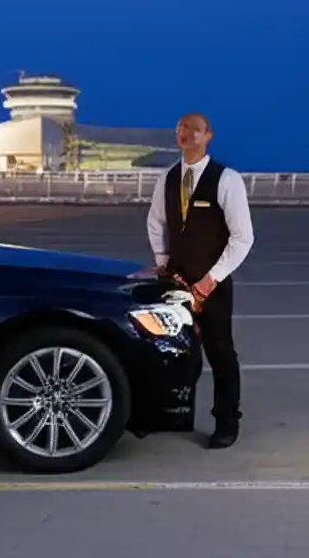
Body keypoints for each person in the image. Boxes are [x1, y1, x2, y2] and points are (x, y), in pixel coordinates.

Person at [146, 112, 254, 449]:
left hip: (212, 285)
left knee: (220, 353)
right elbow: (156, 223)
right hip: (174, 283)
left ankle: (227, 422)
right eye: (181, 128)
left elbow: (243, 238)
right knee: (174, 351)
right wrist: (162, 263)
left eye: (195, 129)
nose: (187, 133)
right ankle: (169, 415)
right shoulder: (167, 178)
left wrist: (211, 280)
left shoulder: (227, 179)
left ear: (209, 136)